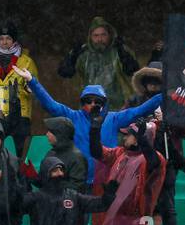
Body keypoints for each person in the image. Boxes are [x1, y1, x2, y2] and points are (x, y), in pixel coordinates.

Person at [17, 65, 163, 184]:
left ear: (103, 103)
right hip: (79, 180)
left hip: (108, 180)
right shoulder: (73, 116)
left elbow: (140, 110)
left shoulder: (113, 118)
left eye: (97, 101)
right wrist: (32, 81)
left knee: (105, 219)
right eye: (88, 100)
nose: (93, 104)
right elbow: (51, 105)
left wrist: (166, 93)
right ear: (82, 102)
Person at [57, 16, 140, 111]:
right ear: (90, 37)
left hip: (119, 105)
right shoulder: (83, 54)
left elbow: (133, 71)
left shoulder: (119, 51)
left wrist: (122, 52)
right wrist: (73, 55)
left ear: (109, 35)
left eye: (103, 35)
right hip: (90, 106)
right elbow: (65, 72)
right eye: (96, 35)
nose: (100, 39)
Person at [0, 22, 37, 156]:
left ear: (14, 40)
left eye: (8, 38)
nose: (5, 42)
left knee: (18, 155)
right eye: (1, 38)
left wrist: (25, 89)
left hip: (20, 115)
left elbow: (35, 87)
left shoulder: (26, 61)